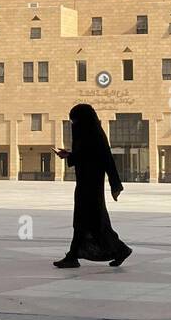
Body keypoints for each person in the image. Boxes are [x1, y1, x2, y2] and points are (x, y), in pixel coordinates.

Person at [53, 103, 132, 268]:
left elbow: (106, 159)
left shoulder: (95, 134)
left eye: (75, 120)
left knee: (88, 221)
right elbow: (84, 155)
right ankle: (118, 250)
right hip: (84, 183)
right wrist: (69, 155)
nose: (73, 124)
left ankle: (74, 256)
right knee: (92, 221)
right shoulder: (89, 133)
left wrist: (115, 185)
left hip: (91, 185)